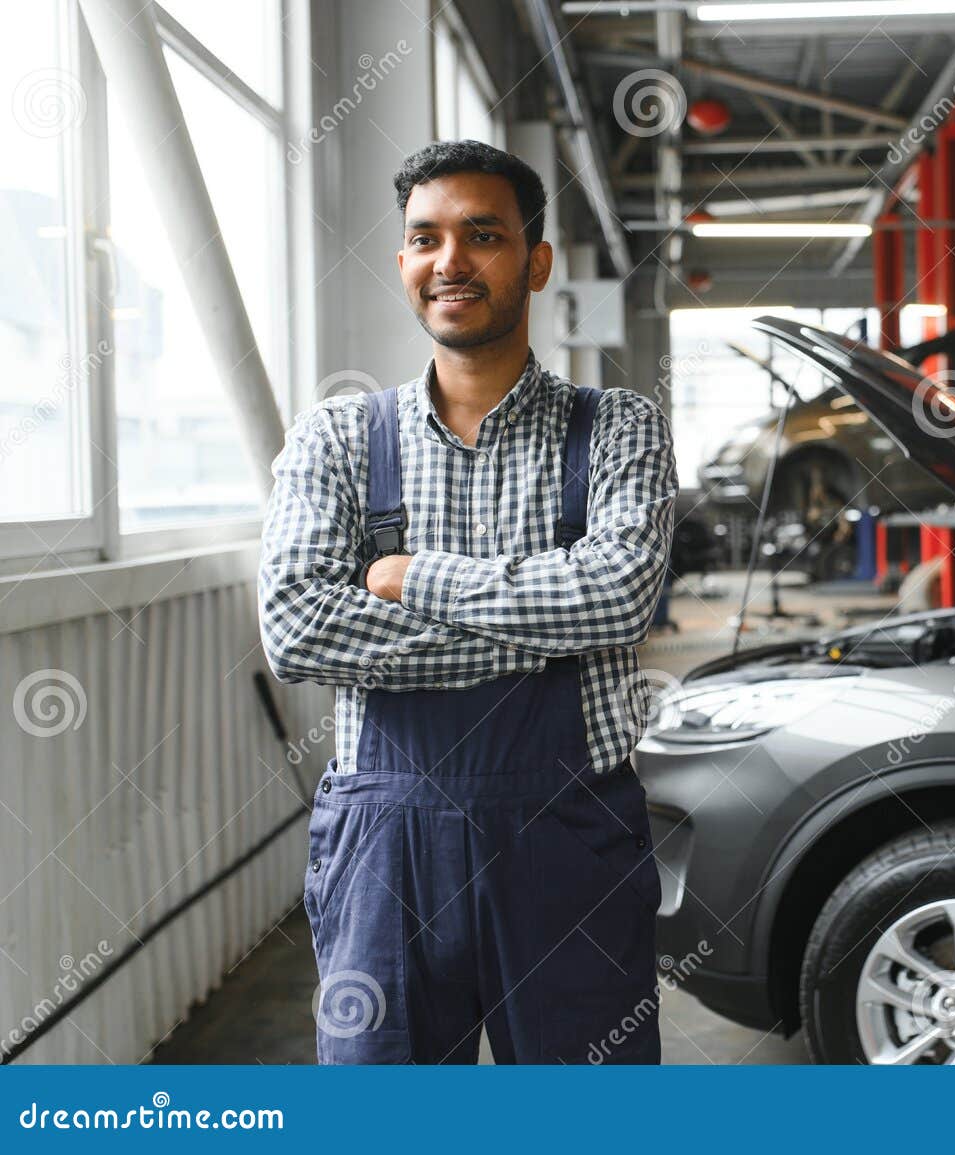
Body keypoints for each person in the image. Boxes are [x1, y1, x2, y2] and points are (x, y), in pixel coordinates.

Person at [257, 139, 676, 1064]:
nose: (450, 260)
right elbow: (296, 628)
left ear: (535, 262)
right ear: (404, 260)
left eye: (482, 235)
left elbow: (615, 599)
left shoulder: (618, 428)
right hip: (386, 853)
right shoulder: (337, 438)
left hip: (569, 841)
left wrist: (412, 577)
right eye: (424, 238)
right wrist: (538, 630)